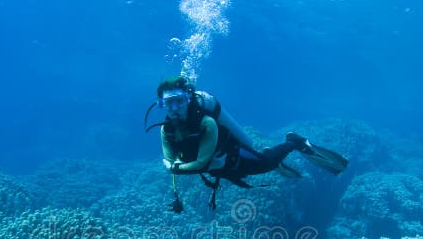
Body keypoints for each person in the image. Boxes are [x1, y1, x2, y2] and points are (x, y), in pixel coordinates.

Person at [145, 76, 349, 212]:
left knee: (266, 164)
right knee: (241, 178)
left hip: (232, 157)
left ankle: (294, 142)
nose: (174, 108)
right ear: (160, 104)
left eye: (179, 101)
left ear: (188, 99)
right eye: (168, 103)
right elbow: (171, 162)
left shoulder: (206, 123)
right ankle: (275, 154)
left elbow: (197, 164)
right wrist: (174, 174)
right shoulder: (166, 130)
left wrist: (175, 167)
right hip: (218, 167)